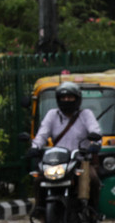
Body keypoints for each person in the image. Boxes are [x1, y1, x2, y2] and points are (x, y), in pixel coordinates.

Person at [31, 81, 102, 215]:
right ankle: (39, 211)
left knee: (92, 179)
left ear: (77, 99)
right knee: (38, 179)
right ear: (58, 100)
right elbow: (42, 134)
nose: (66, 100)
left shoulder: (86, 114)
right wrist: (35, 147)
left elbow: (96, 132)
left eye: (70, 97)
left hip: (81, 160)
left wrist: (95, 144)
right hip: (57, 162)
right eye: (63, 98)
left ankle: (93, 212)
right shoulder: (52, 115)